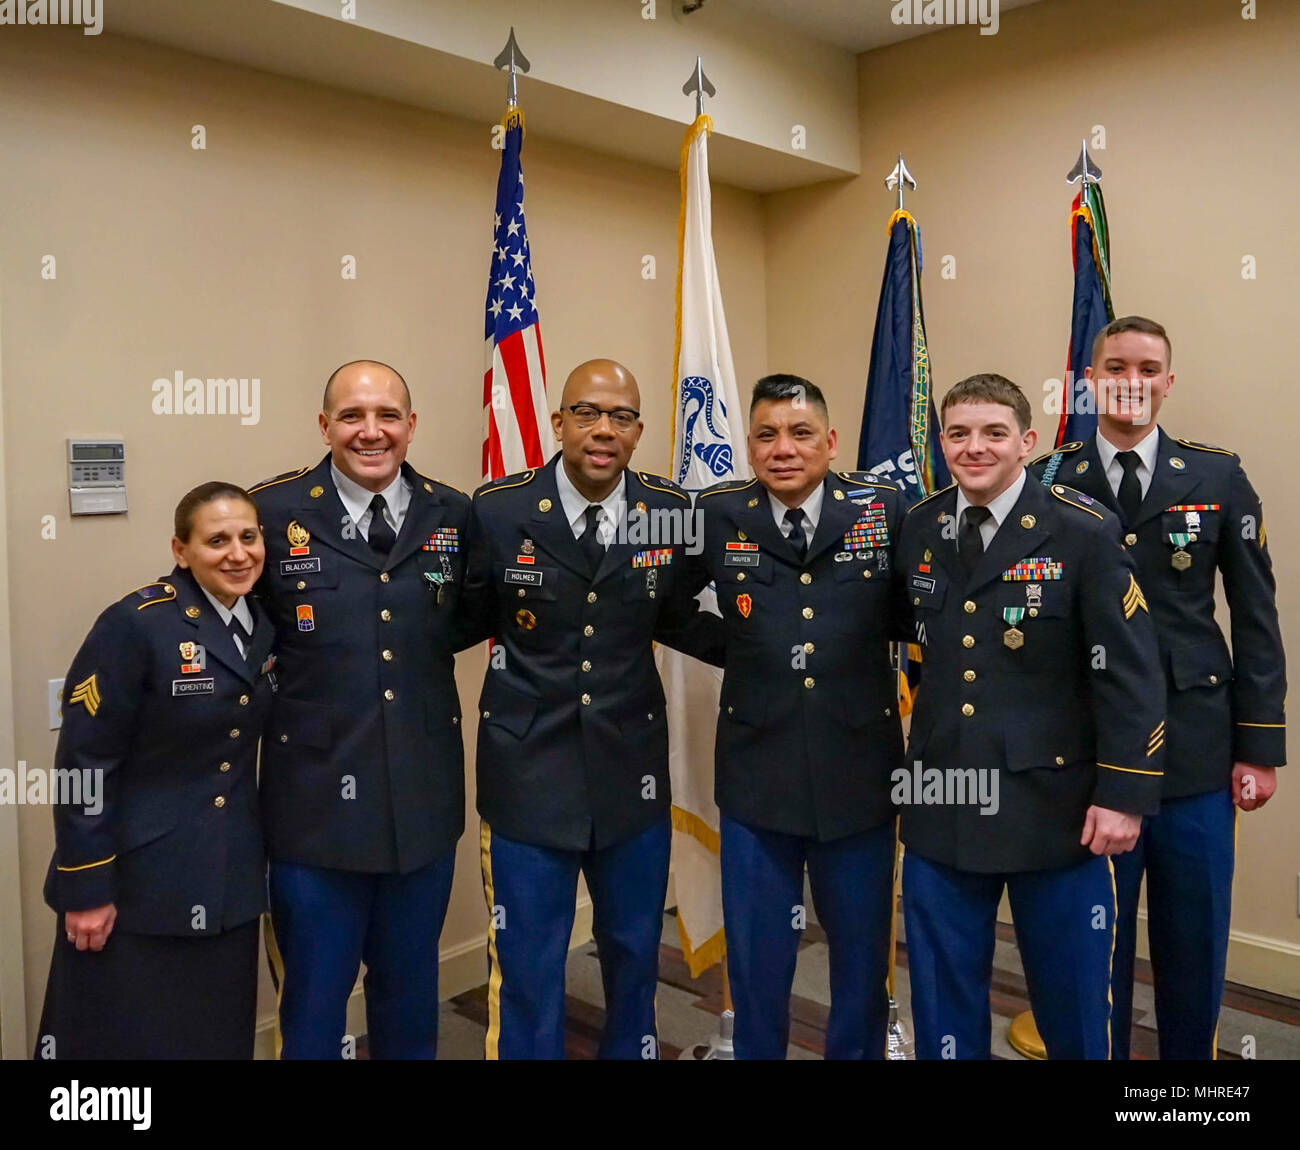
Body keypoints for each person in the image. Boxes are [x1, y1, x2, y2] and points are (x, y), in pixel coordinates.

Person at [1030, 316, 1286, 1059]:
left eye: (1147, 369)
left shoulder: (1216, 477)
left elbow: (1256, 617)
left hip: (1197, 751)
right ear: (1090, 381)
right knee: (1093, 947)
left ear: (1167, 384)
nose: (1131, 382)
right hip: (1089, 752)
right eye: (1115, 367)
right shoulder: (1049, 480)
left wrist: (1259, 745)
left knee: (1194, 937)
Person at [894, 373, 1165, 1060]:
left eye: (993, 433)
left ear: (1027, 442)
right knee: (942, 1002)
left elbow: (1132, 674)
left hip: (1056, 810)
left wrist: (1124, 795)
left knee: (1073, 1003)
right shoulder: (920, 526)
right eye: (958, 433)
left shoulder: (1082, 530)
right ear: (942, 442)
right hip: (943, 801)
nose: (974, 447)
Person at [462, 357, 721, 1059]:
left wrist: (789, 651)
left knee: (635, 955)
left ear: (638, 430)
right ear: (559, 422)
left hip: (630, 770)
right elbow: (455, 618)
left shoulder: (668, 512)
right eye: (588, 413)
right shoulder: (499, 509)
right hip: (527, 775)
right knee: (529, 967)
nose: (604, 430)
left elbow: (682, 614)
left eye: (622, 416)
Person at [249, 360, 471, 1060]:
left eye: (386, 416)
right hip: (314, 814)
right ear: (325, 426)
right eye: (351, 416)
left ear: (411, 425)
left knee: (410, 997)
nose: (370, 431)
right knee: (314, 1004)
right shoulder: (274, 513)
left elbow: (467, 622)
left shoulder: (454, 513)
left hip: (422, 806)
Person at [690, 374, 903, 1059]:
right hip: (757, 775)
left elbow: (928, 602)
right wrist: (745, 650)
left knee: (862, 958)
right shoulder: (718, 514)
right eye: (767, 435)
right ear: (749, 447)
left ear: (831, 442)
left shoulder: (885, 510)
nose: (784, 448)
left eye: (801, 432)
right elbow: (661, 602)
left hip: (861, 774)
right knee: (756, 965)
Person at [35, 482, 275, 1060]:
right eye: (216, 540)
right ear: (180, 549)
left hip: (227, 880)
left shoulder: (262, 622)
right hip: (138, 881)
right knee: (124, 1045)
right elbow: (84, 762)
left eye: (248, 536)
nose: (237, 553)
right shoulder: (136, 624)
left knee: (214, 1035)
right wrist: (87, 885)